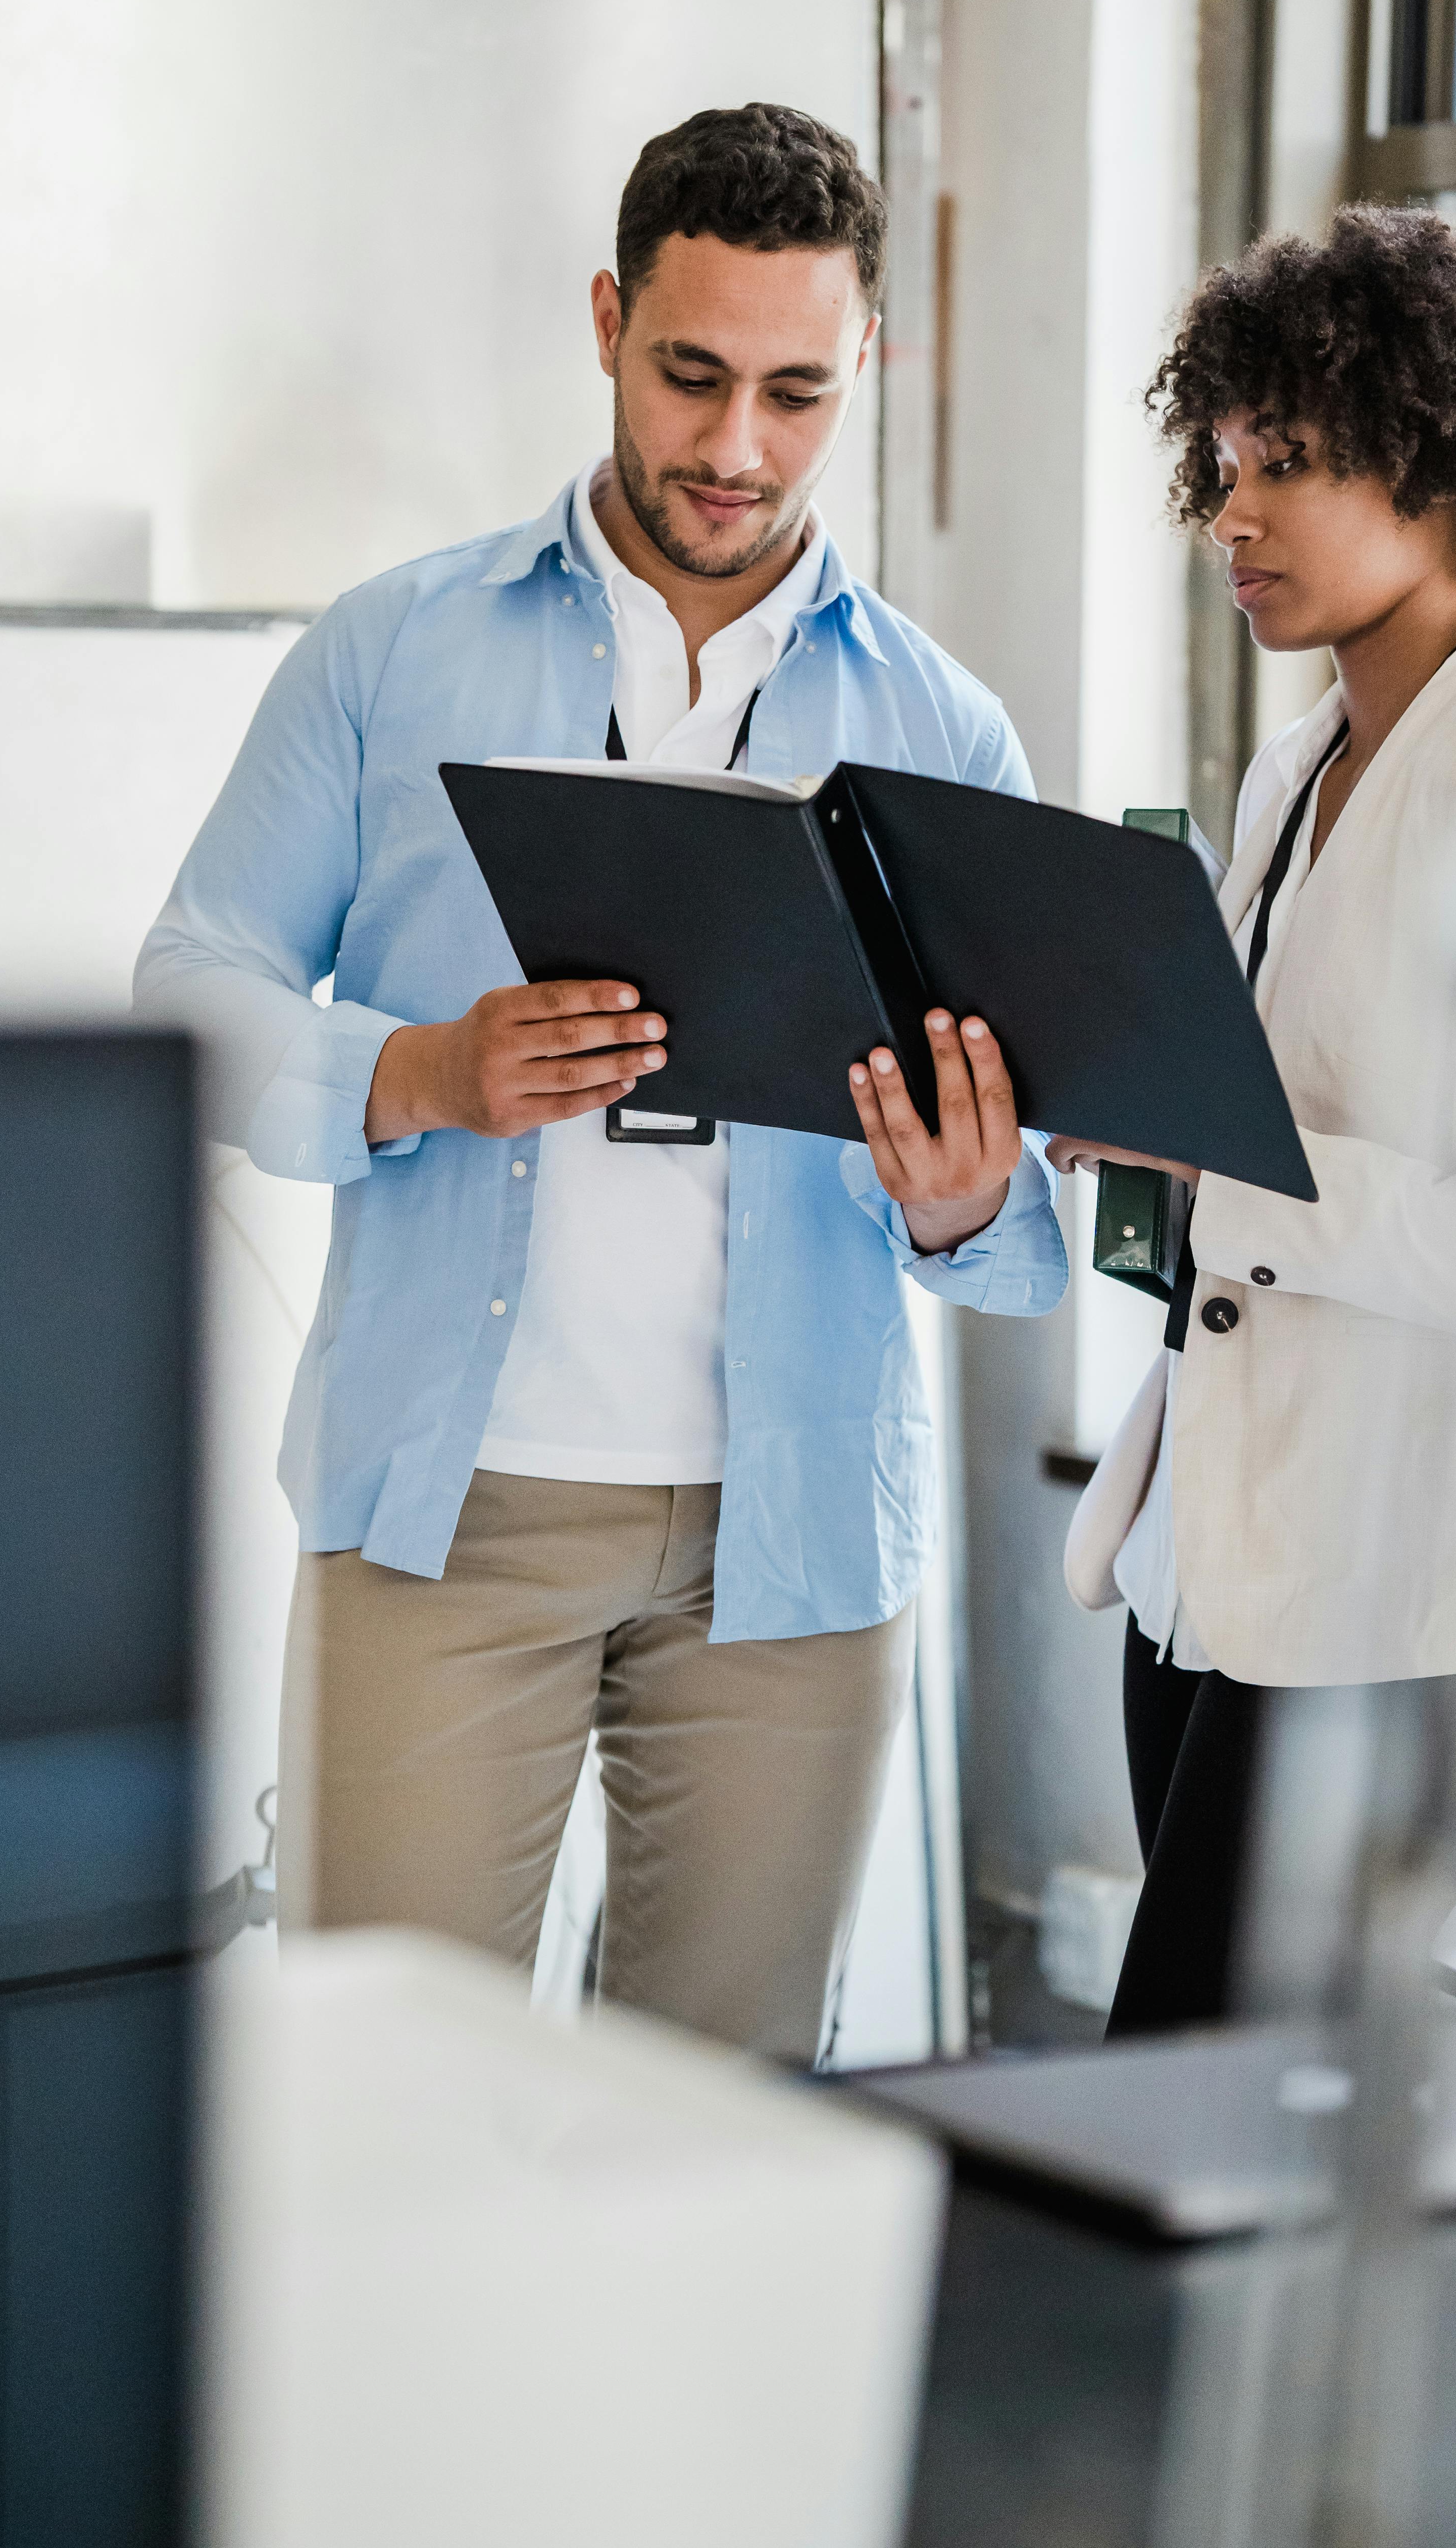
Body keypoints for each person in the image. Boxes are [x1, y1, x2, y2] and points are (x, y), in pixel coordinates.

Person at [138, 101, 1066, 2061]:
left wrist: (959, 1194)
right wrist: (412, 1067)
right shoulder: (394, 649)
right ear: (606, 323)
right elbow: (189, 987)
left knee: (714, 2150)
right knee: (381, 2123)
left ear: (866, 366)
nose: (735, 448)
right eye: (691, 375)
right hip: (445, 1518)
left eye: (797, 393)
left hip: (792, 1541)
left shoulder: (943, 726)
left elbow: (1018, 1236)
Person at [1051, 204, 1456, 2038]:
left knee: (1178, 2103)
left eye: (1298, 464)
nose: (1233, 516)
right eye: (1231, 461)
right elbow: (1272, 1134)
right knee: (1214, 2129)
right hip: (1230, 1571)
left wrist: (1223, 1167)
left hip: (1421, 1610)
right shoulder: (1296, 766)